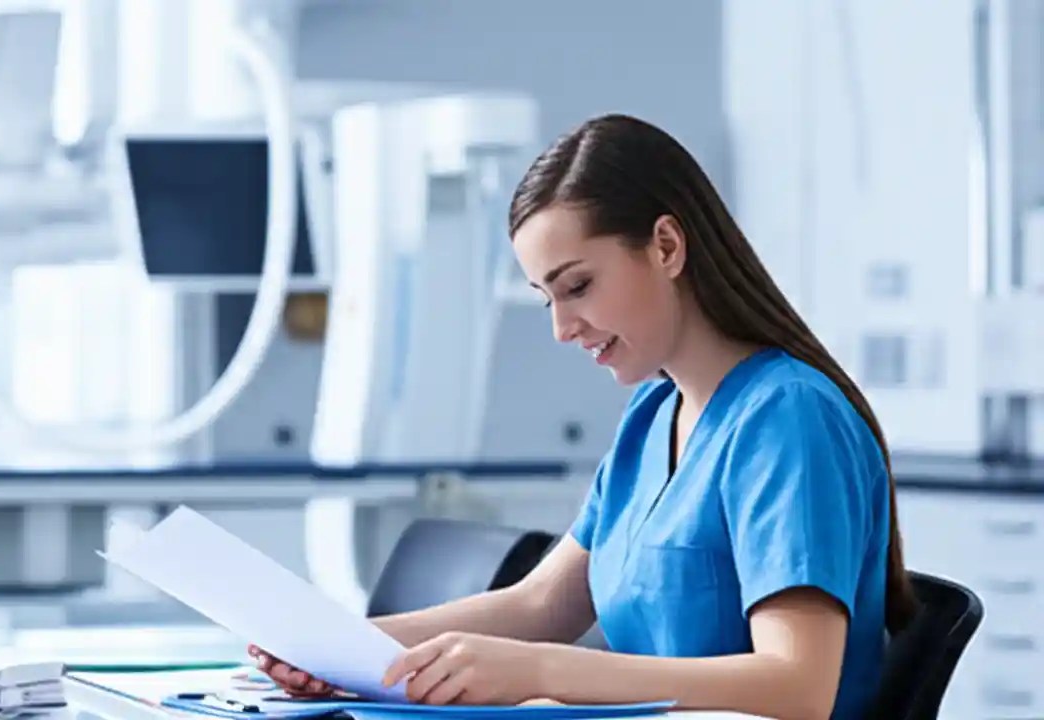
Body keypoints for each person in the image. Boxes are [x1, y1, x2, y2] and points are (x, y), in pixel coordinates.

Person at [250, 114, 916, 720]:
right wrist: (337, 644)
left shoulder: (788, 419)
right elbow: (540, 605)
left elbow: (795, 689)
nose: (564, 328)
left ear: (665, 246)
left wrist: (541, 672)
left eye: (578, 286)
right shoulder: (654, 415)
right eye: (547, 299)